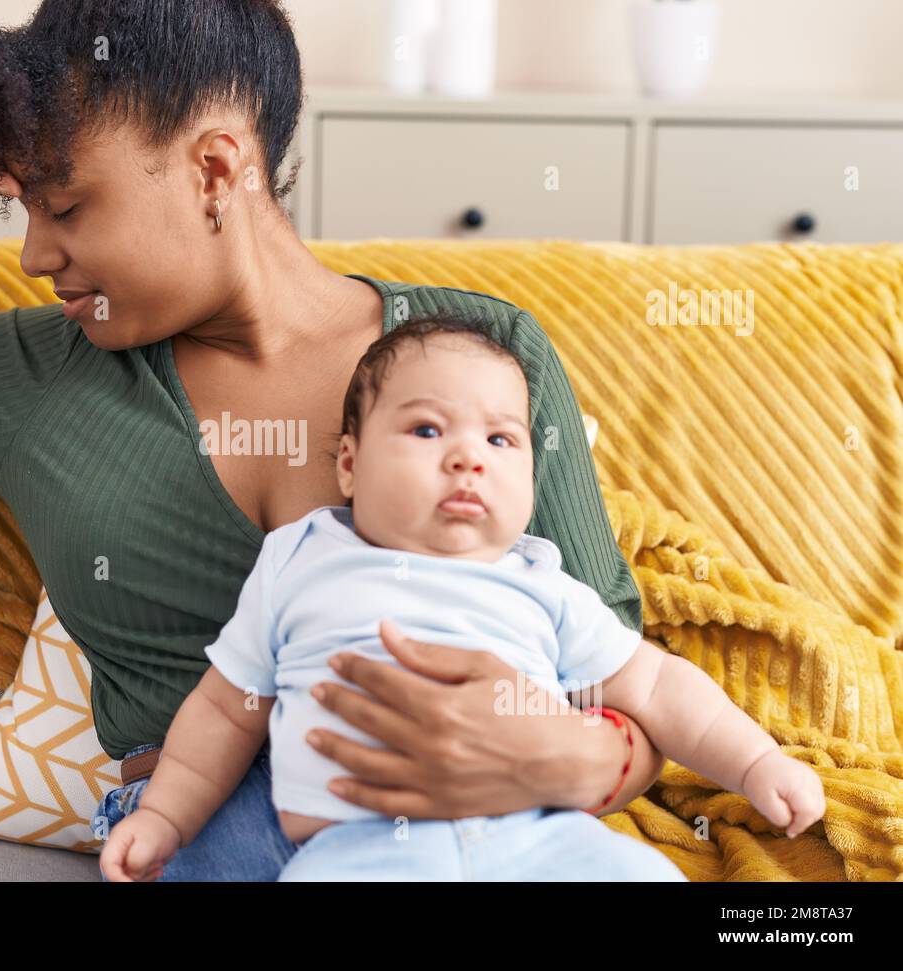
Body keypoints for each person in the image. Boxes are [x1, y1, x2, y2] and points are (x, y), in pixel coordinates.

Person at [0, 0, 666, 881]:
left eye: (64, 207)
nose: (33, 254)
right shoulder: (43, 374)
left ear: (217, 171)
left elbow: (618, 673)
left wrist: (570, 757)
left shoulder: (482, 360)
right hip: (210, 837)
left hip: (487, 826)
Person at [98, 315, 824, 881]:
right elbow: (227, 706)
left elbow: (660, 683)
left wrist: (758, 763)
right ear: (349, 463)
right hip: (354, 853)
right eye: (425, 428)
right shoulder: (302, 559)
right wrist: (164, 816)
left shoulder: (539, 583)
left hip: (535, 837)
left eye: (501, 439)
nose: (468, 455)